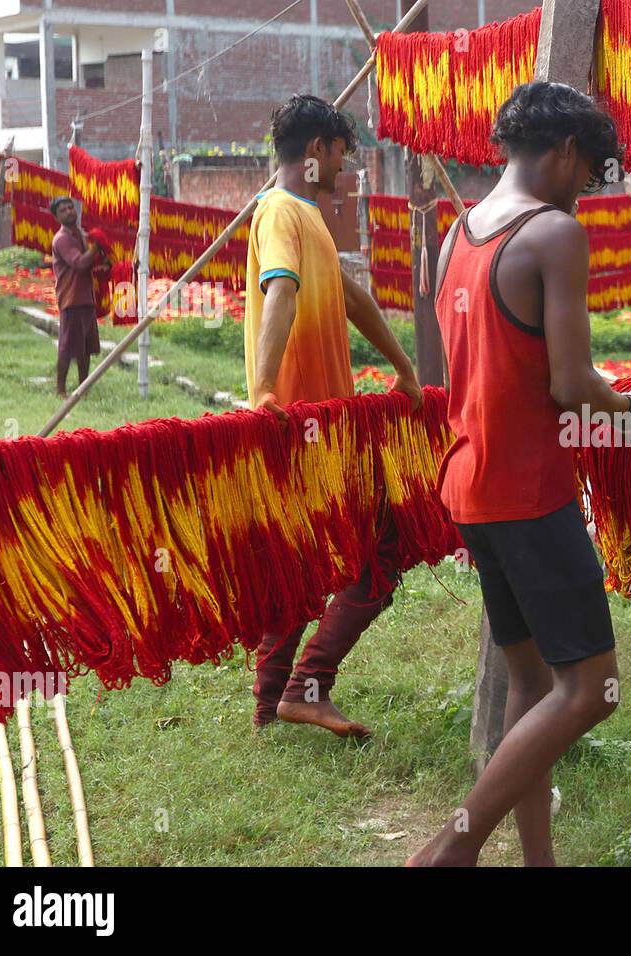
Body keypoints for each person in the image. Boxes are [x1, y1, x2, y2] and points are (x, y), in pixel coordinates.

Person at [408, 81, 631, 867]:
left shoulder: (462, 234)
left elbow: (461, 365)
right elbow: (569, 384)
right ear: (562, 152)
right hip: (527, 493)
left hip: (471, 486)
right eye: (587, 176)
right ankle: (449, 849)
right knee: (589, 691)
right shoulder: (553, 235)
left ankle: (538, 864)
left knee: (529, 685)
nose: (585, 195)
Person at [245, 93, 422, 738]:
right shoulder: (281, 212)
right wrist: (265, 391)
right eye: (343, 152)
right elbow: (281, 293)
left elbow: (352, 298)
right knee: (383, 550)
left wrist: (404, 368)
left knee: (299, 559)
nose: (346, 165)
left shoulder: (309, 218)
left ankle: (273, 707)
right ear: (317, 150)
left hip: (325, 424)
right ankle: (302, 688)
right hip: (302, 424)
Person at [49, 196, 103, 399]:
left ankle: (83, 386)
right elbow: (80, 264)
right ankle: (60, 389)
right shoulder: (62, 239)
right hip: (71, 298)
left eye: (71, 207)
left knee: (85, 346)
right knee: (67, 346)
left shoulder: (80, 234)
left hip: (85, 297)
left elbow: (89, 264)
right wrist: (98, 246)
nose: (69, 211)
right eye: (63, 210)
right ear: (57, 217)